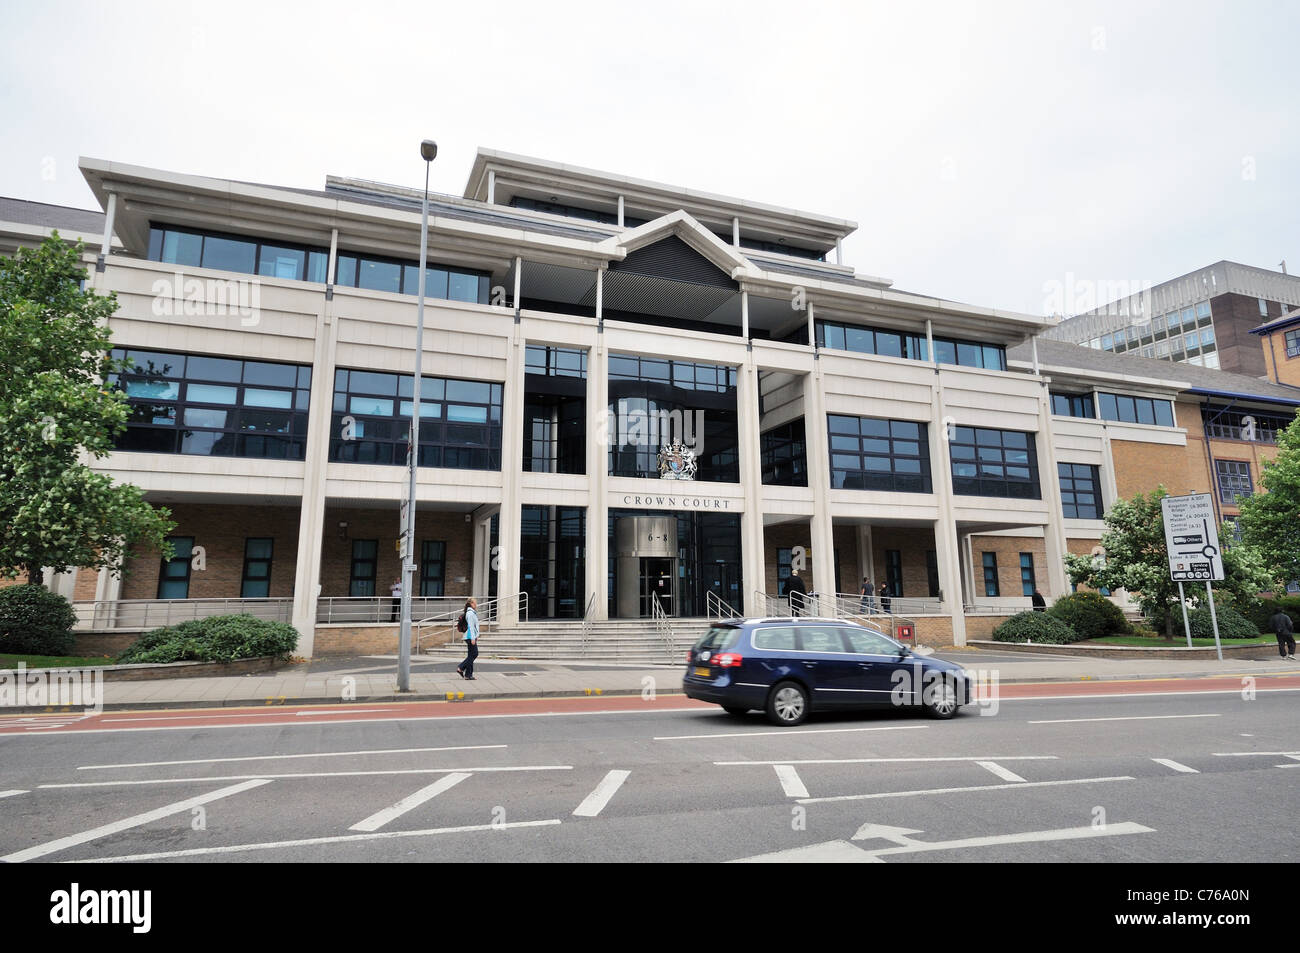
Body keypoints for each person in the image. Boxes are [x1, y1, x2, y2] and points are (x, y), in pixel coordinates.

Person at [456, 597, 480, 680]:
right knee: (474, 654)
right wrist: (473, 638)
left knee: (471, 655)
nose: (476, 604)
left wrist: (476, 636)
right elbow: (470, 626)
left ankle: (467, 673)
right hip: (470, 637)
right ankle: (462, 669)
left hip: (471, 636)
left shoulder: (472, 613)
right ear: (470, 604)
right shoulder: (470, 613)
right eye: (474, 603)